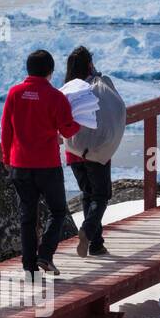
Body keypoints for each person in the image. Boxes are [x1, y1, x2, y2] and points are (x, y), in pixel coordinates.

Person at [1, 49, 81, 276]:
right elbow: (67, 128)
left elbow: (6, 129)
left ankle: (29, 267)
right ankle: (45, 254)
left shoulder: (15, 93)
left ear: (28, 69)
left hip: (20, 164)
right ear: (50, 71)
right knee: (57, 211)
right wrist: (79, 124)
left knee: (27, 216)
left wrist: (7, 157)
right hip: (47, 165)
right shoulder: (56, 97)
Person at [62, 46, 127, 257]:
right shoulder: (101, 85)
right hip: (98, 150)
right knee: (100, 195)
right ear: (90, 64)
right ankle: (88, 231)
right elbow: (113, 109)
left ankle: (96, 244)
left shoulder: (67, 89)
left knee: (88, 194)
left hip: (74, 151)